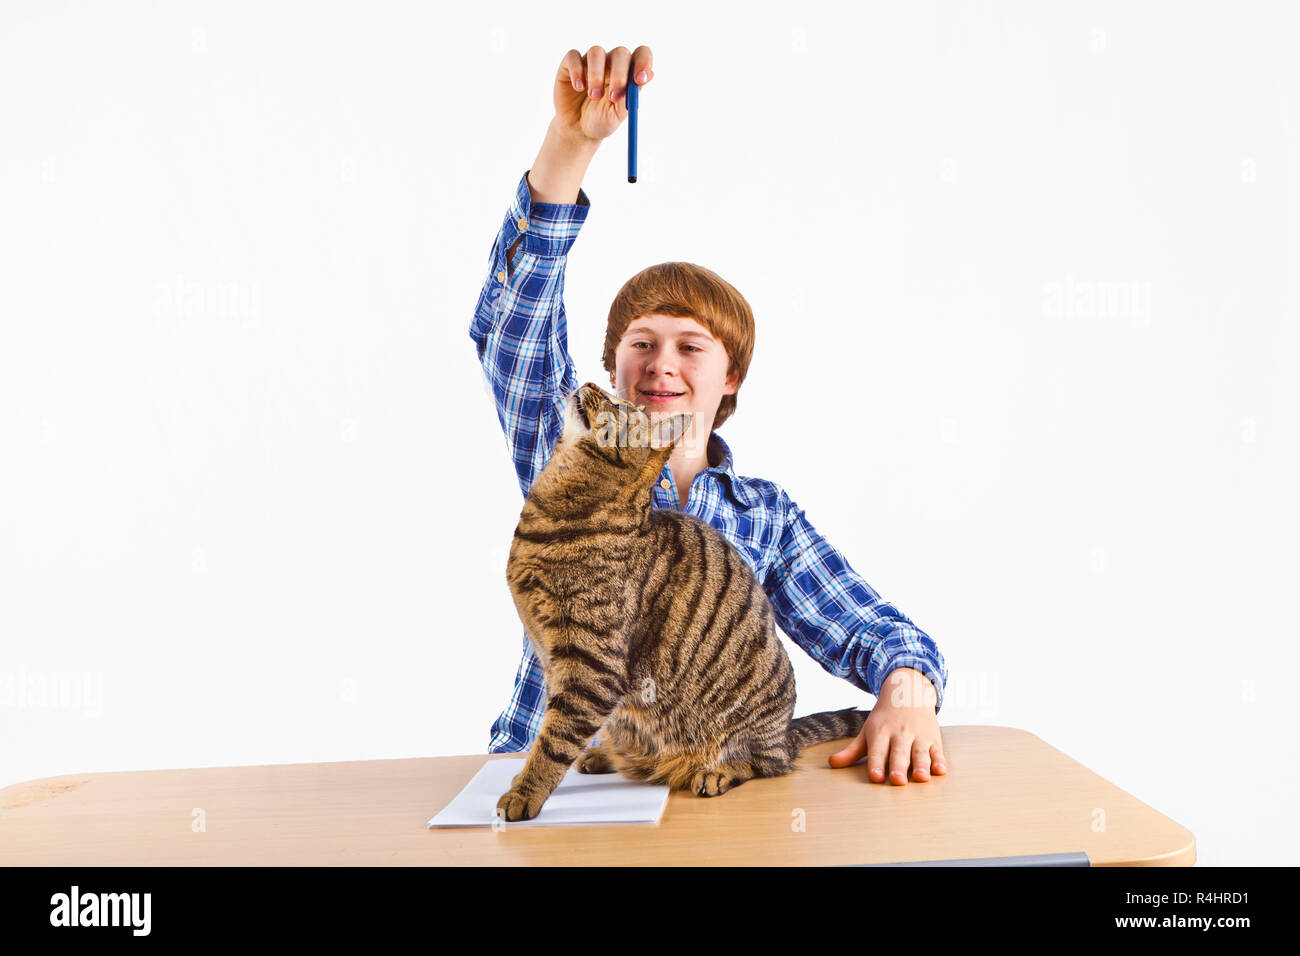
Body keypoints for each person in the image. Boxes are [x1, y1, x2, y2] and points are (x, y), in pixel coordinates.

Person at [470, 45, 948, 785]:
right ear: (612, 367)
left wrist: (909, 687)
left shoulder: (765, 516)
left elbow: (871, 627)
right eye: (641, 343)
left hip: (693, 793)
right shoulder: (563, 449)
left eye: (691, 347)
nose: (662, 363)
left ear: (731, 380)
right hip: (555, 782)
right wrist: (571, 146)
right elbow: (516, 330)